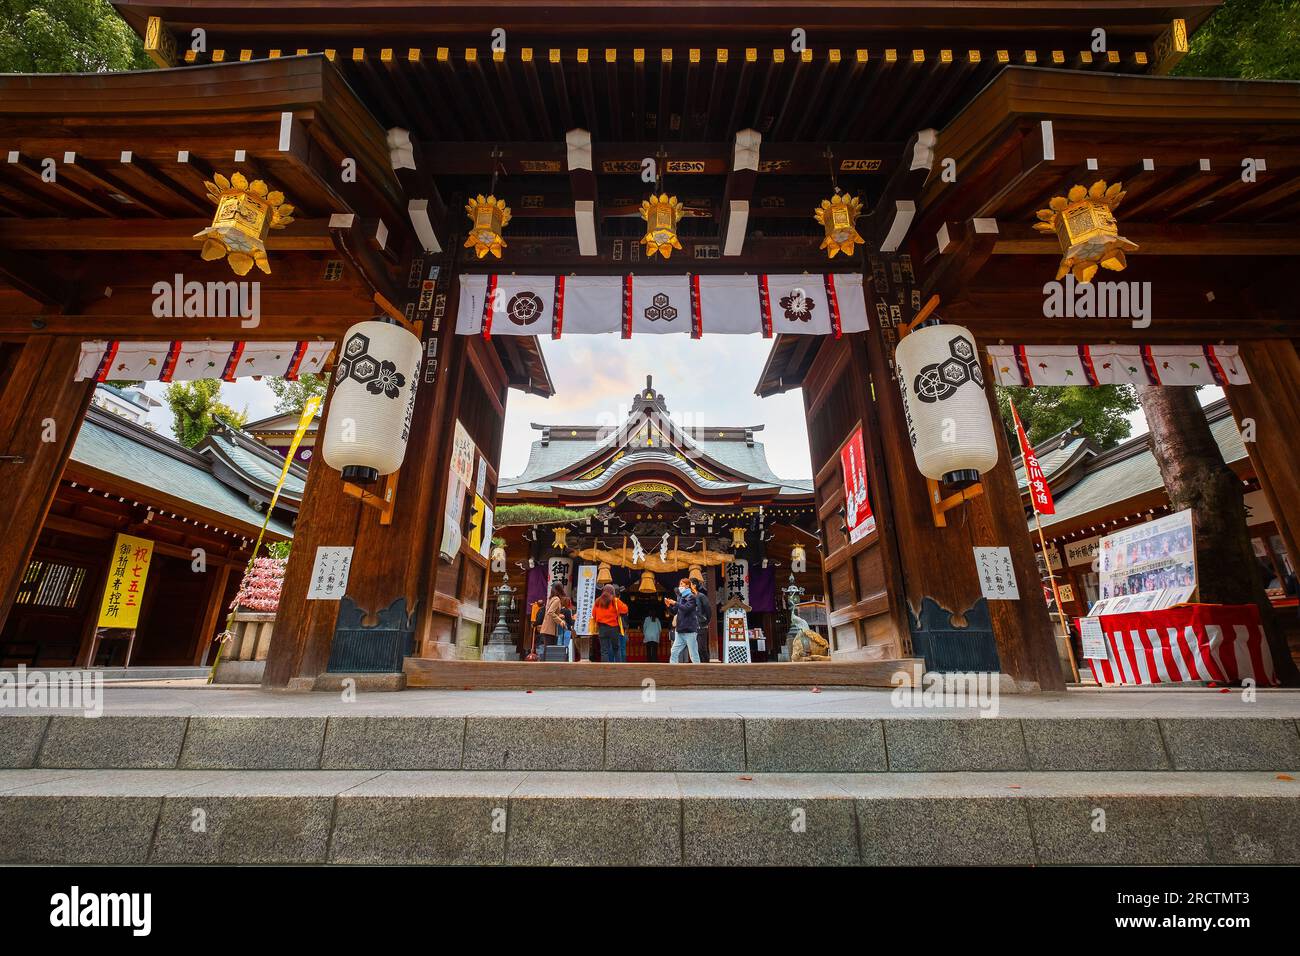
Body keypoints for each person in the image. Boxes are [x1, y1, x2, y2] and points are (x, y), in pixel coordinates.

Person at [589, 584, 628, 663]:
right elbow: (625, 609)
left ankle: (605, 669)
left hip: (602, 628)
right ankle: (618, 668)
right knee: (616, 648)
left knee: (604, 650)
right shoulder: (615, 600)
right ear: (612, 592)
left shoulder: (598, 601)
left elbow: (593, 614)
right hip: (613, 628)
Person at [666, 578, 701, 663]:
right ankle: (673, 671)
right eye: (679, 584)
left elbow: (686, 608)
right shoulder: (680, 598)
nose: (680, 586)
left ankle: (699, 672)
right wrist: (669, 606)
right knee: (674, 651)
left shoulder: (692, 597)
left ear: (687, 585)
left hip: (690, 630)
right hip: (680, 630)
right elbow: (674, 611)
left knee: (693, 654)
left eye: (682, 584)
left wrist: (675, 603)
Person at [537, 583, 565, 659]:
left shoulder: (551, 599)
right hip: (550, 628)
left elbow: (550, 612)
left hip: (547, 626)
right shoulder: (557, 599)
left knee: (548, 648)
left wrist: (559, 616)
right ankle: (547, 666)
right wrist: (560, 621)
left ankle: (546, 665)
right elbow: (550, 612)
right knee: (549, 648)